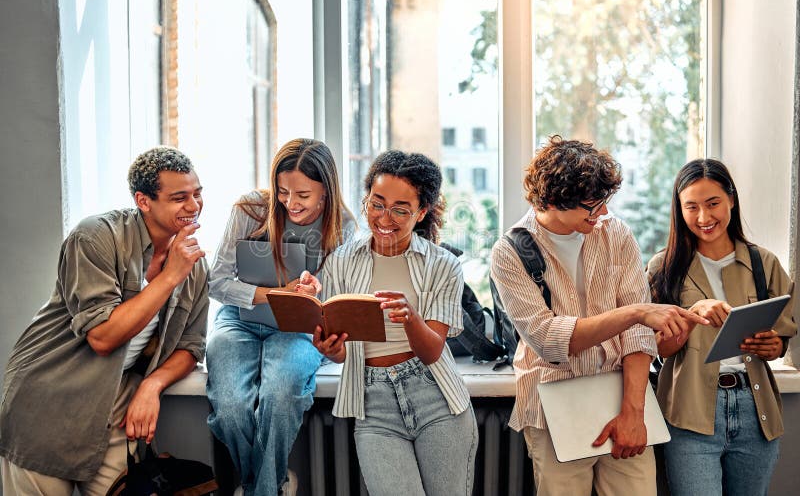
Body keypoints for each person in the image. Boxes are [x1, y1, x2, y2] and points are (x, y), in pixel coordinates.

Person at [490, 136, 706, 496]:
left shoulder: (616, 233)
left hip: (624, 395)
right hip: (554, 405)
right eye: (591, 207)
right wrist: (636, 312)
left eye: (604, 202)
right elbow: (549, 340)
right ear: (552, 202)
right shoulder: (509, 253)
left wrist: (633, 413)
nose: (602, 213)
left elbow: (639, 336)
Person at [0, 147, 209, 496]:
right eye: (179, 198)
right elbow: (102, 337)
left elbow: (191, 346)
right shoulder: (95, 237)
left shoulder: (194, 263)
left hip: (117, 406)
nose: (194, 205)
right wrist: (170, 276)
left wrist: (152, 385)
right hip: (51, 398)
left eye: (197, 193)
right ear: (143, 201)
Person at [305, 150, 478, 496]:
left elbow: (432, 352)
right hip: (374, 406)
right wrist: (329, 348)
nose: (385, 218)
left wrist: (411, 318)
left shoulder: (443, 265)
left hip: (437, 399)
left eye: (400, 209)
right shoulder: (341, 262)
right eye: (377, 204)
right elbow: (344, 351)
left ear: (422, 212)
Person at [205, 138, 354, 496]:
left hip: (299, 328)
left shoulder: (344, 227)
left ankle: (257, 489)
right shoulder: (250, 209)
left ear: (326, 190)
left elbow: (335, 301)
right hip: (239, 320)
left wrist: (316, 292)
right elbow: (217, 282)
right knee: (230, 407)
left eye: (303, 195)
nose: (291, 203)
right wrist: (274, 295)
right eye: (283, 191)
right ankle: (268, 487)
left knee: (281, 397)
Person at [647, 159, 796, 496]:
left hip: (755, 410)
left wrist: (776, 346)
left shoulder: (764, 263)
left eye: (713, 203)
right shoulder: (663, 267)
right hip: (689, 412)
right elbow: (657, 349)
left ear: (731, 199)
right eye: (691, 207)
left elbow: (783, 336)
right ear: (679, 210)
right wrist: (689, 317)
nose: (704, 217)